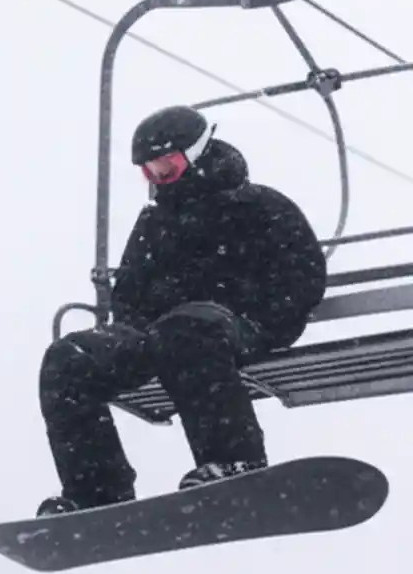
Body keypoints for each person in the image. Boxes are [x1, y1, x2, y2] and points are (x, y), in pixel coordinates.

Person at [34, 104, 327, 517]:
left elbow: (304, 277)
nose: (158, 178)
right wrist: (132, 332)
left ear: (197, 153)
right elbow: (129, 293)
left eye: (166, 167)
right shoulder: (156, 221)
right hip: (163, 335)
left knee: (188, 328)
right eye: (150, 171)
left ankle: (233, 461)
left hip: (241, 324)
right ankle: (97, 492)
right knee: (69, 358)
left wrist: (264, 313)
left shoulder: (259, 206)